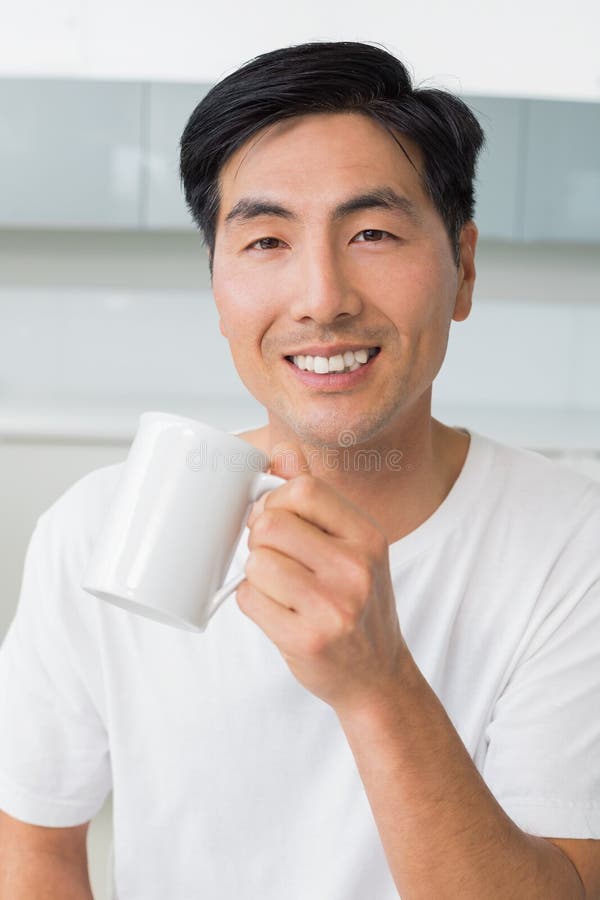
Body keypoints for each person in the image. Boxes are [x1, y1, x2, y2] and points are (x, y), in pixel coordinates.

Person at [1, 40, 599, 900]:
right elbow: (33, 851)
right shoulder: (99, 529)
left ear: (464, 268)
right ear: (216, 285)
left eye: (372, 233)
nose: (322, 296)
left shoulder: (573, 549)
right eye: (267, 239)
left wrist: (377, 684)